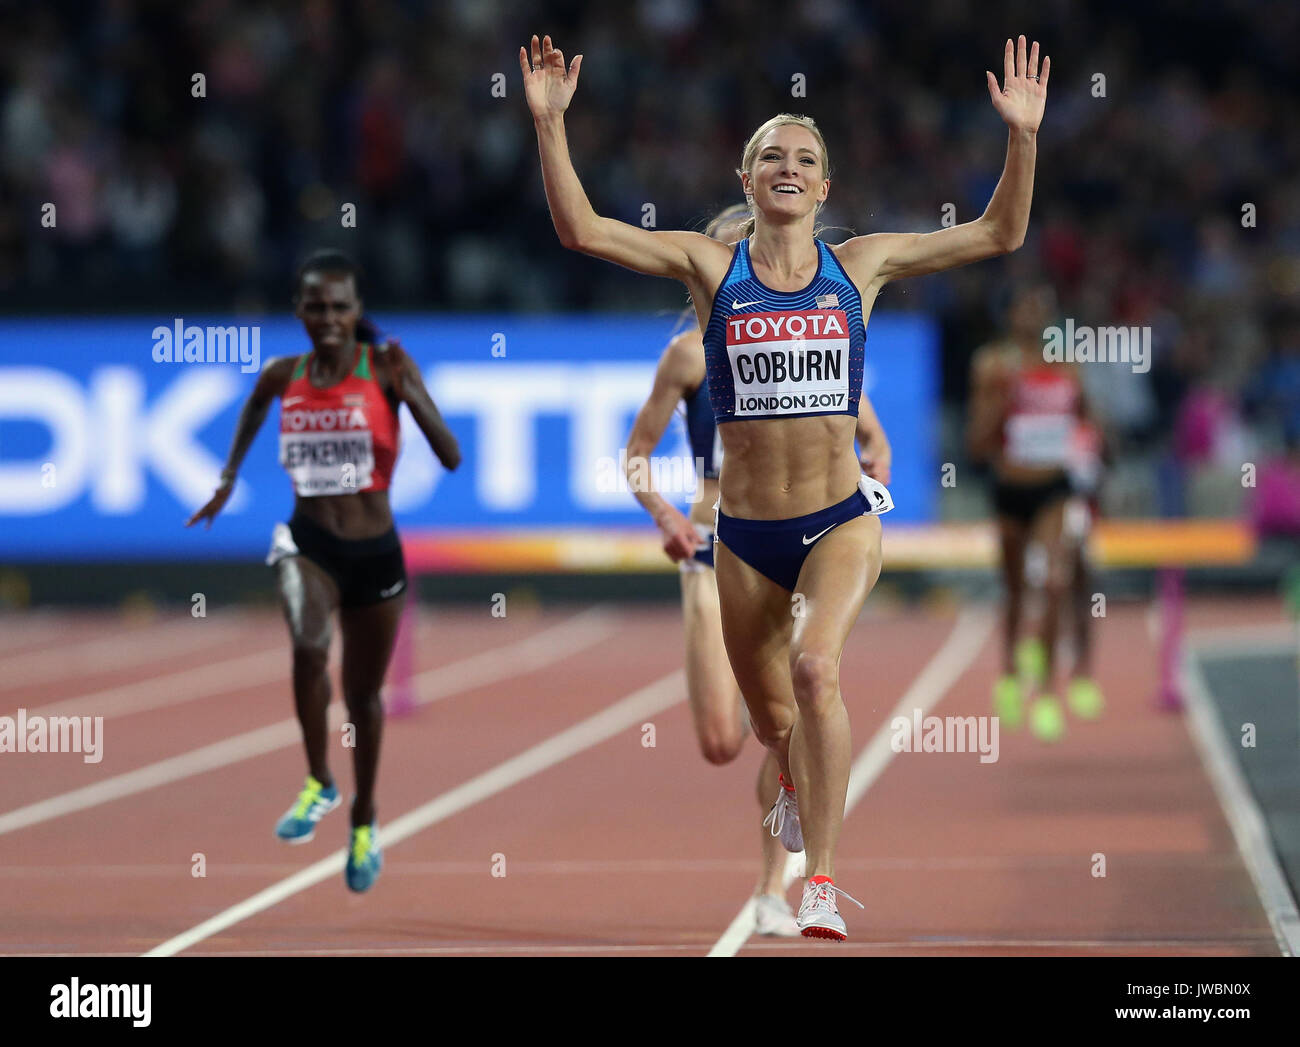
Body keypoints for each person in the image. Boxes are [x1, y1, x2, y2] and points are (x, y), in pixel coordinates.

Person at [523, 32, 1047, 938]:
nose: (790, 166)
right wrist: (548, 125)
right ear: (747, 177)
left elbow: (1000, 232)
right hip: (744, 539)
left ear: (826, 186)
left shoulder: (866, 265)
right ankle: (798, 790)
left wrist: (1023, 137)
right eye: (773, 155)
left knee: (816, 670)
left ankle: (821, 881)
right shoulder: (707, 269)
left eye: (806, 157)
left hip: (839, 520)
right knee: (771, 731)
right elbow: (583, 231)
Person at [624, 203, 893, 936]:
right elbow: (637, 454)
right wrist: (667, 517)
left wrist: (858, 485)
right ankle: (788, 788)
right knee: (727, 737)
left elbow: (872, 434)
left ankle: (780, 884)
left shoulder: (806, 326)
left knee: (810, 687)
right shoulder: (685, 355)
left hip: (806, 531)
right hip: (716, 538)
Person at [186, 249, 461, 891]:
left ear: (356, 311)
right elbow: (253, 412)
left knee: (363, 697)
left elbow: (449, 456)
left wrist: (409, 387)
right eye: (316, 306)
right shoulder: (283, 374)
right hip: (308, 543)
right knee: (309, 648)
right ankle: (318, 782)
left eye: (340, 306)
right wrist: (227, 481)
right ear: (299, 311)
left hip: (376, 555)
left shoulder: (385, 368)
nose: (328, 317)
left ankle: (363, 817)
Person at [967, 285, 1096, 740]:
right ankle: (1007, 673)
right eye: (1025, 307)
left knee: (1057, 580)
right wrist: (1005, 403)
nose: (1033, 317)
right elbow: (976, 444)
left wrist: (1088, 452)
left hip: (1054, 489)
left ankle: (1045, 692)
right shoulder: (992, 365)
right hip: (1009, 487)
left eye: (1041, 309)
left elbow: (1087, 423)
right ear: (1010, 315)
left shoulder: (1067, 366)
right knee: (1015, 588)